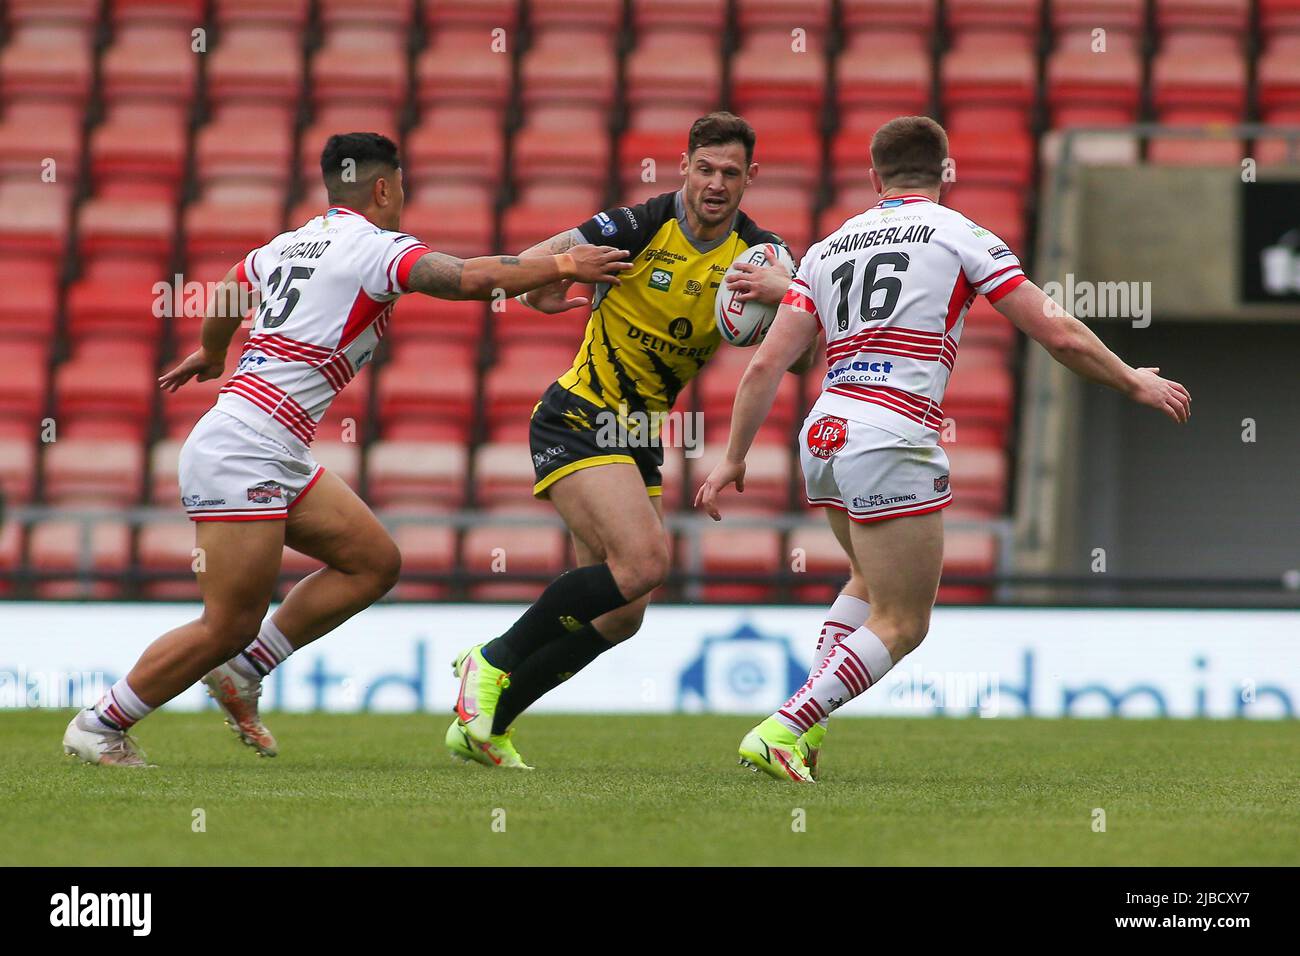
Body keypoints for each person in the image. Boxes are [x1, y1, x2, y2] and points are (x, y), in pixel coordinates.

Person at [62, 132, 631, 766]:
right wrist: (562, 264)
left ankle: (244, 671)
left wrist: (215, 351)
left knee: (372, 562)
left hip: (267, 444)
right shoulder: (374, 249)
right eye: (402, 190)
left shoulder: (289, 243)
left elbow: (229, 283)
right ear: (385, 187)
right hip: (242, 449)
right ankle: (99, 724)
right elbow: (470, 278)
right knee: (226, 622)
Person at [696, 116, 1191, 783]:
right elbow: (1057, 332)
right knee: (904, 622)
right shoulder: (959, 234)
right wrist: (1133, 381)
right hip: (891, 429)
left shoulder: (828, 248)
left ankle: (802, 732)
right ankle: (785, 727)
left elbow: (763, 368)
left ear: (875, 178)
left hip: (824, 432)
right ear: (945, 172)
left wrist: (732, 458)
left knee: (867, 584)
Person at [446, 112, 808, 769]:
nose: (716, 183)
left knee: (620, 613)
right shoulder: (639, 226)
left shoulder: (763, 259)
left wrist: (791, 301)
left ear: (751, 177)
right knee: (644, 564)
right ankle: (489, 661)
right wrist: (550, 279)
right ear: (684, 167)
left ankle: (487, 724)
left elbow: (801, 360)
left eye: (731, 172)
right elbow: (531, 268)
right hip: (580, 415)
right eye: (705, 169)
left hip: (637, 436)